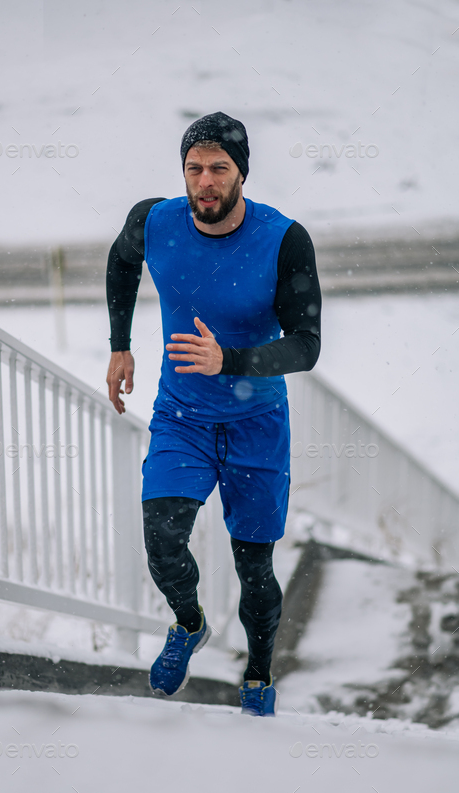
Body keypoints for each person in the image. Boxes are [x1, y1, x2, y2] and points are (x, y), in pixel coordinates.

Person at [105, 111, 321, 716]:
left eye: (218, 168)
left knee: (255, 570)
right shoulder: (154, 220)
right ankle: (189, 622)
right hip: (183, 417)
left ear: (241, 174)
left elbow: (306, 343)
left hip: (257, 423)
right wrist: (120, 345)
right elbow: (121, 262)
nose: (205, 180)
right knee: (162, 539)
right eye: (194, 167)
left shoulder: (284, 239)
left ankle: (257, 676)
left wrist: (229, 358)